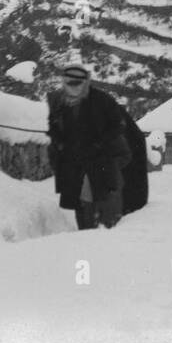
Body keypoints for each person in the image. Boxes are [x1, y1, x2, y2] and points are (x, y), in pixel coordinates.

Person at [46, 63, 132, 229]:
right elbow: (54, 125)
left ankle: (104, 231)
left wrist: (100, 143)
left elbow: (118, 124)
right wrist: (59, 141)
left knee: (100, 197)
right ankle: (85, 233)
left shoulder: (101, 100)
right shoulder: (58, 101)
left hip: (100, 159)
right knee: (79, 199)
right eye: (69, 83)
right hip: (73, 160)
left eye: (78, 83)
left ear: (86, 82)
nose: (74, 87)